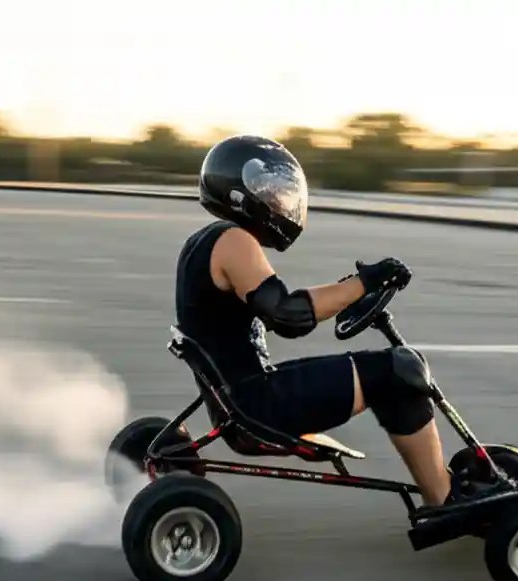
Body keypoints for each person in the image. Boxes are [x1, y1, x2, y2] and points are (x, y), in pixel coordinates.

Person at [176, 134, 454, 506]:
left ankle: (442, 481)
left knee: (391, 370)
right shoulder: (234, 241)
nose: (279, 201)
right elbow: (290, 316)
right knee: (399, 371)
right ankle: (444, 497)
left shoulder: (203, 242)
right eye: (269, 190)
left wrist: (353, 289)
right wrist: (364, 282)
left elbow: (287, 303)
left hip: (239, 401)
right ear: (240, 191)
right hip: (257, 407)